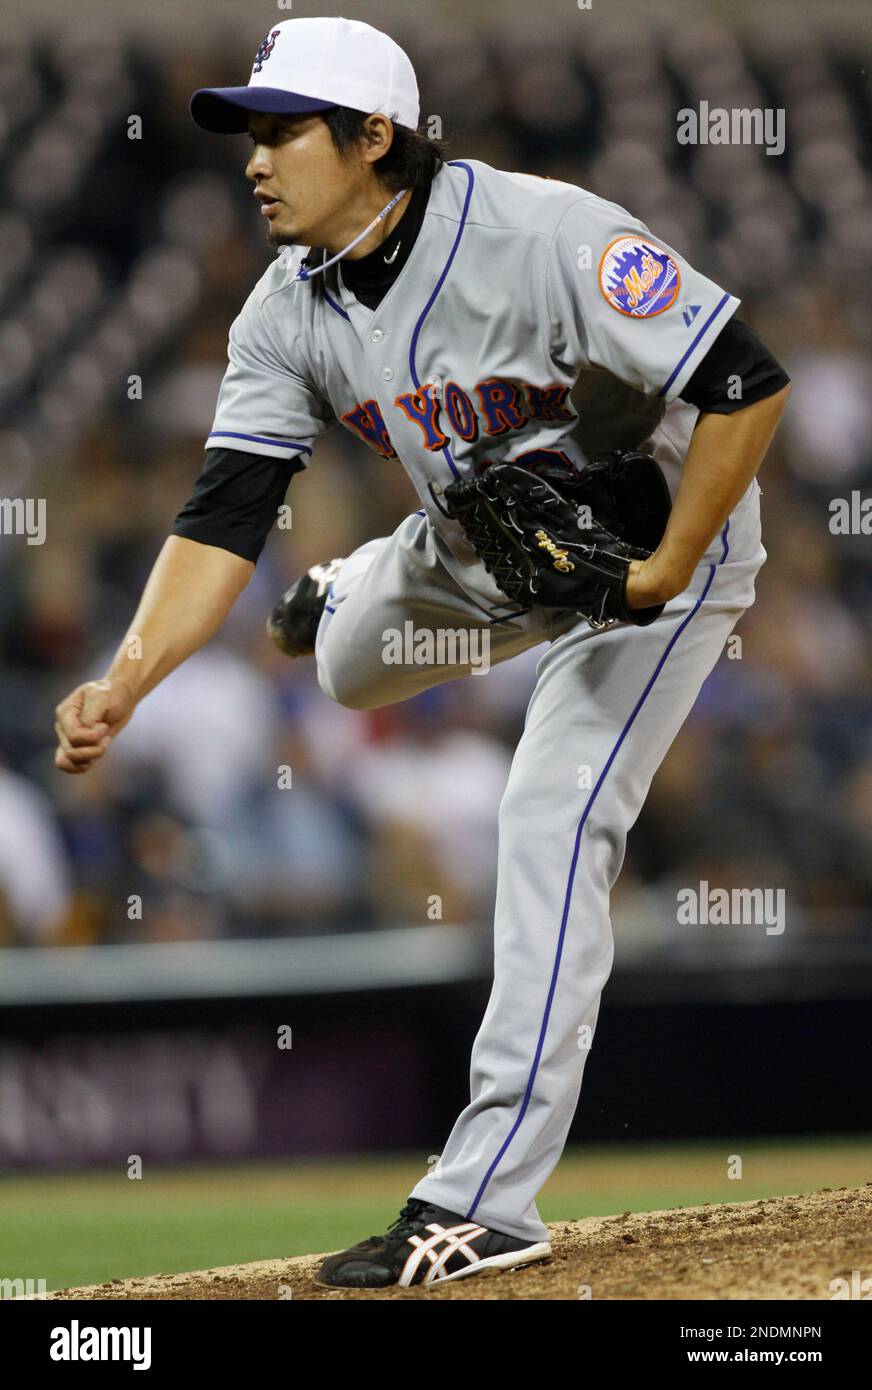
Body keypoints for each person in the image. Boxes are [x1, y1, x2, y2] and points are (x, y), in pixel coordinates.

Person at [54, 17, 791, 1289]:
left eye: (281, 129)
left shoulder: (545, 235)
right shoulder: (285, 310)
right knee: (342, 667)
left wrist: (665, 570)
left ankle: (485, 1202)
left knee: (549, 820)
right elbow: (222, 519)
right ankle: (347, 592)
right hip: (478, 540)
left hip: (656, 556)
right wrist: (123, 681)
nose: (253, 158)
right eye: (248, 131)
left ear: (372, 136)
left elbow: (746, 379)